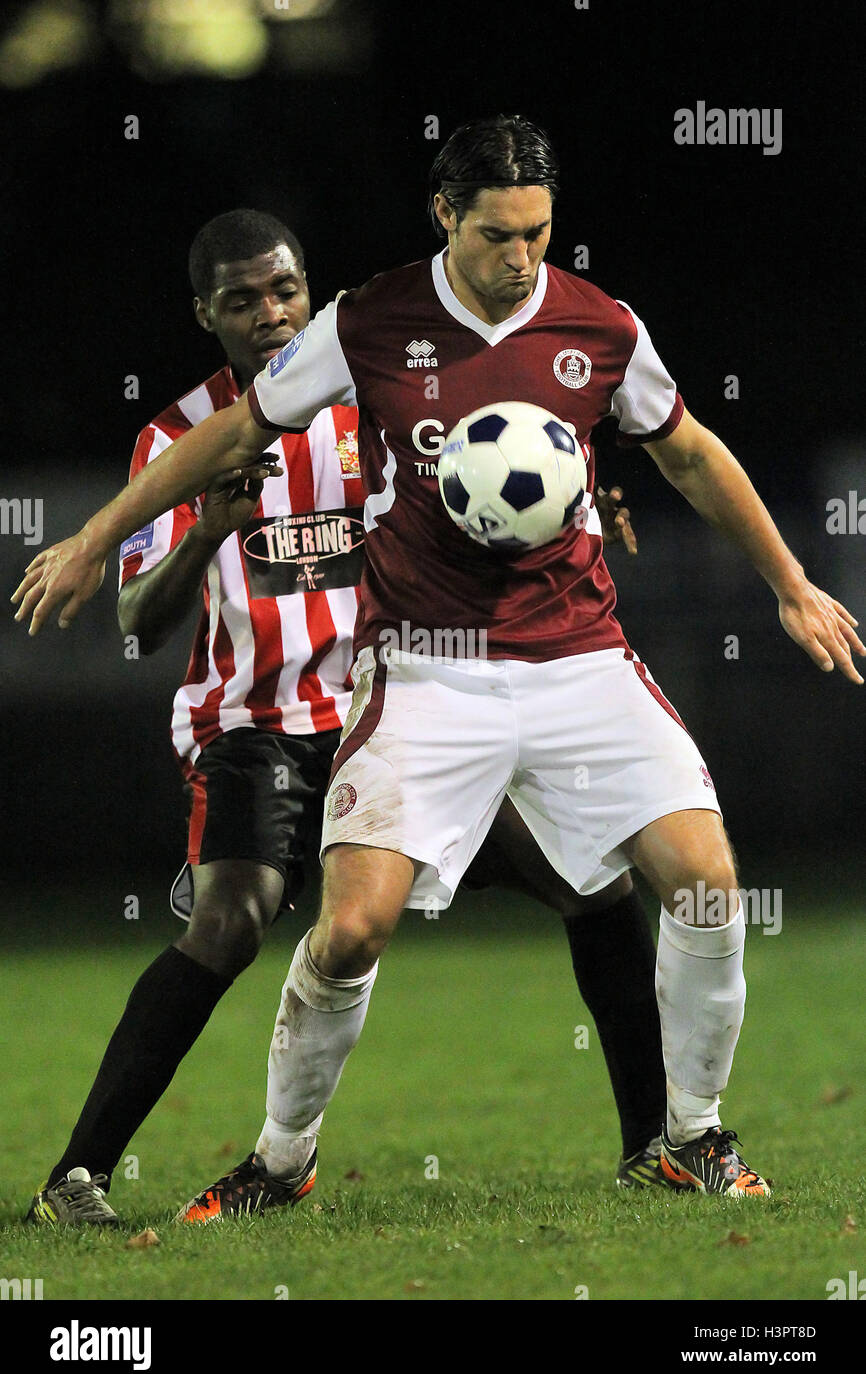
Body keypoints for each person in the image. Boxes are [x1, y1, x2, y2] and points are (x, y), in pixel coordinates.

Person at [17, 116, 863, 1207]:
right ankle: (274, 1160)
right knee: (346, 925)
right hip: (408, 675)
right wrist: (96, 537)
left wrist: (788, 584)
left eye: (540, 234)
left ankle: (685, 1137)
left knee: (697, 886)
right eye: (500, 236)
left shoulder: (597, 324)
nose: (522, 259)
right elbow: (226, 444)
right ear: (444, 220)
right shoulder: (369, 322)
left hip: (577, 661)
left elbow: (686, 448)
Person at [23, 207, 667, 1229]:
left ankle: (652, 1146)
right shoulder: (178, 437)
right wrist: (206, 534)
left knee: (591, 878)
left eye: (285, 291)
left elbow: (493, 502)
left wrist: (576, 510)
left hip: (403, 710)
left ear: (308, 289)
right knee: (231, 920)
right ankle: (78, 1176)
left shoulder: (379, 407)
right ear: (207, 315)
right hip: (257, 726)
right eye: (242, 300)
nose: (271, 314)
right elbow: (140, 624)